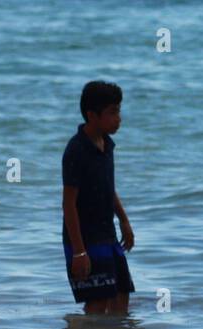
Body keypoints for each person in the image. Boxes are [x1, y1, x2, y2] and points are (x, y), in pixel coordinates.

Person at [62, 81, 135, 314]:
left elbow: (107, 188)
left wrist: (124, 221)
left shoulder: (107, 144)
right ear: (92, 115)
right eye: (112, 112)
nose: (119, 118)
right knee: (97, 302)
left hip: (108, 235)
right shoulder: (77, 150)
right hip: (84, 240)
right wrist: (79, 251)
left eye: (119, 111)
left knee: (121, 296)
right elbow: (69, 204)